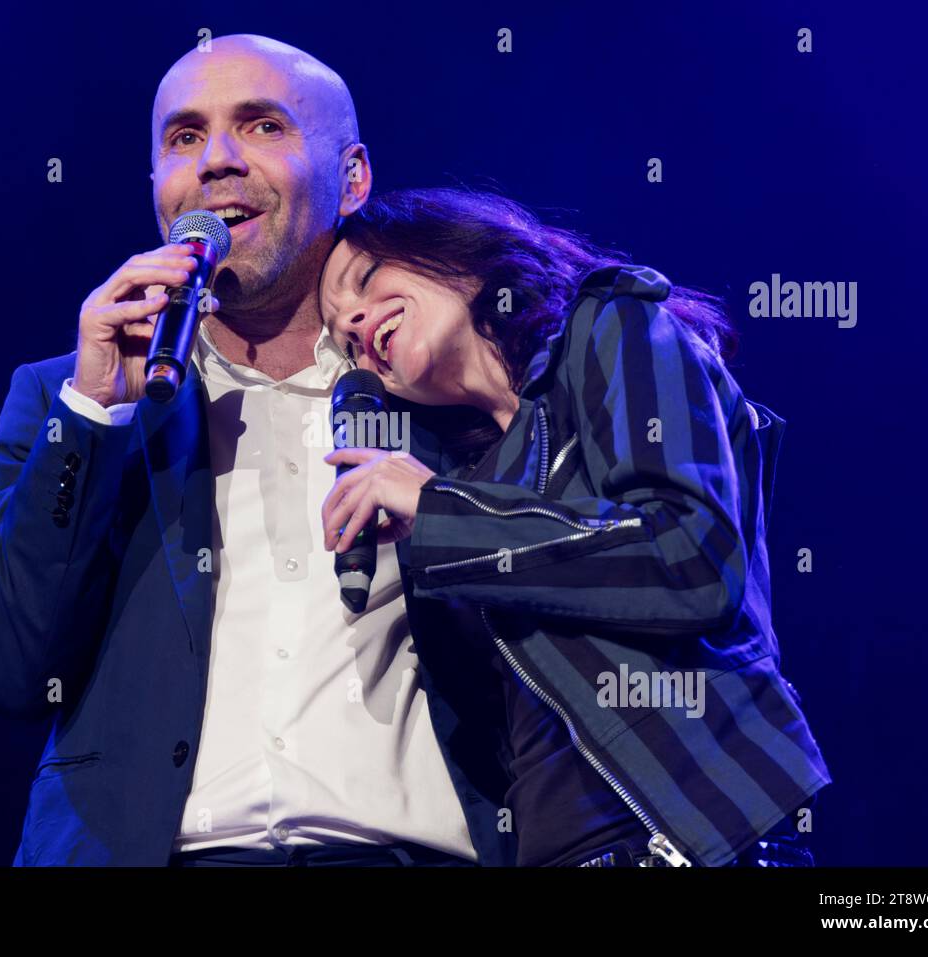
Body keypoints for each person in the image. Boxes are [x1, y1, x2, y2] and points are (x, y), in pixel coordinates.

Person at [0, 36, 518, 866]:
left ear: (352, 177)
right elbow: (5, 666)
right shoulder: (64, 398)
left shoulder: (439, 382)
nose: (216, 161)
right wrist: (93, 417)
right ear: (157, 186)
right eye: (184, 138)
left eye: (261, 127)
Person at [319, 187, 833, 867]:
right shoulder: (473, 482)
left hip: (696, 837)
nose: (353, 323)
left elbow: (690, 557)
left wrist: (446, 515)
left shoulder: (613, 325)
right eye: (339, 335)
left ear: (455, 251)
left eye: (364, 279)